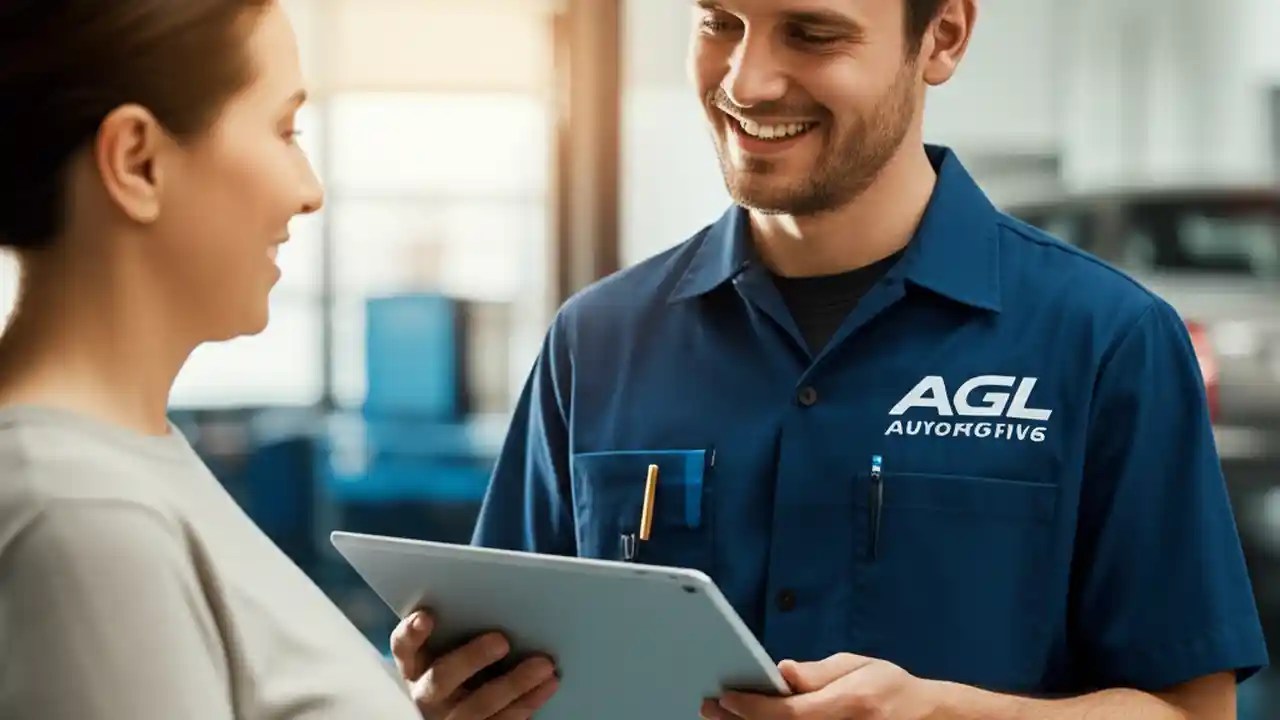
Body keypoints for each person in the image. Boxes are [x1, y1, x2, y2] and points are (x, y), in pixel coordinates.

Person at [391, 0, 1270, 718]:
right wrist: (467, 695)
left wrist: (951, 716)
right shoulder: (596, 342)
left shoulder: (1107, 342)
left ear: (944, 37)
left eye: (810, 33)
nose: (746, 80)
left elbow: (1189, 710)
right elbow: (519, 668)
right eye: (719, 22)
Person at [0, 2, 422, 718]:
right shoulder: (82, 514)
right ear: (137, 160)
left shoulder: (130, 467)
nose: (309, 190)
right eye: (284, 130)